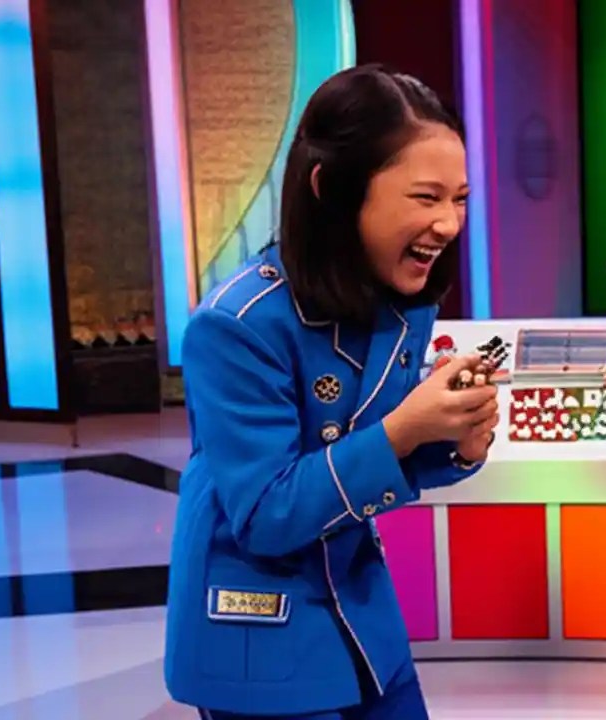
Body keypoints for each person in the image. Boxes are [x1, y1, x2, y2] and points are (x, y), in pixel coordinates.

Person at [164, 65, 499, 719]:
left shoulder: (402, 307)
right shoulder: (237, 326)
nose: (450, 224)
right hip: (257, 634)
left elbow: (384, 456)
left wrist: (457, 438)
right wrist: (407, 428)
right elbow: (266, 515)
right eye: (426, 197)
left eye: (460, 198)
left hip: (364, 623)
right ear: (333, 191)